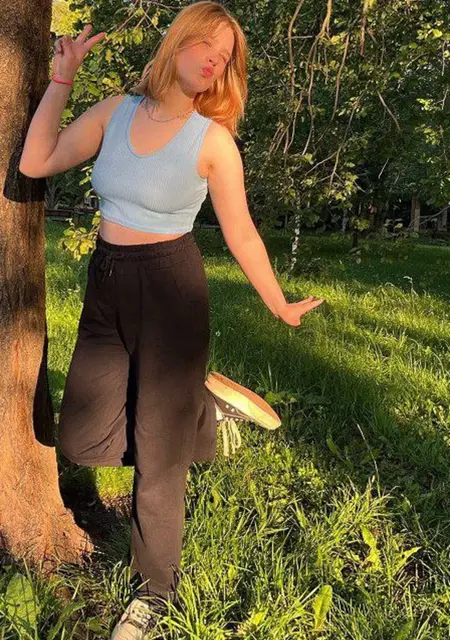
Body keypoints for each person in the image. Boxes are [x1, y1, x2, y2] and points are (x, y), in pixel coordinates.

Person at [19, 2, 325, 638]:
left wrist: (278, 302)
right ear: (178, 41)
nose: (215, 60)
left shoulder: (212, 141)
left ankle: (154, 595)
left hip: (171, 292)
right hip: (107, 282)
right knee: (79, 439)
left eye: (226, 56)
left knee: (160, 462)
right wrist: (62, 78)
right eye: (206, 44)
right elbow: (35, 162)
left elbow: (241, 232)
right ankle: (200, 408)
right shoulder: (115, 111)